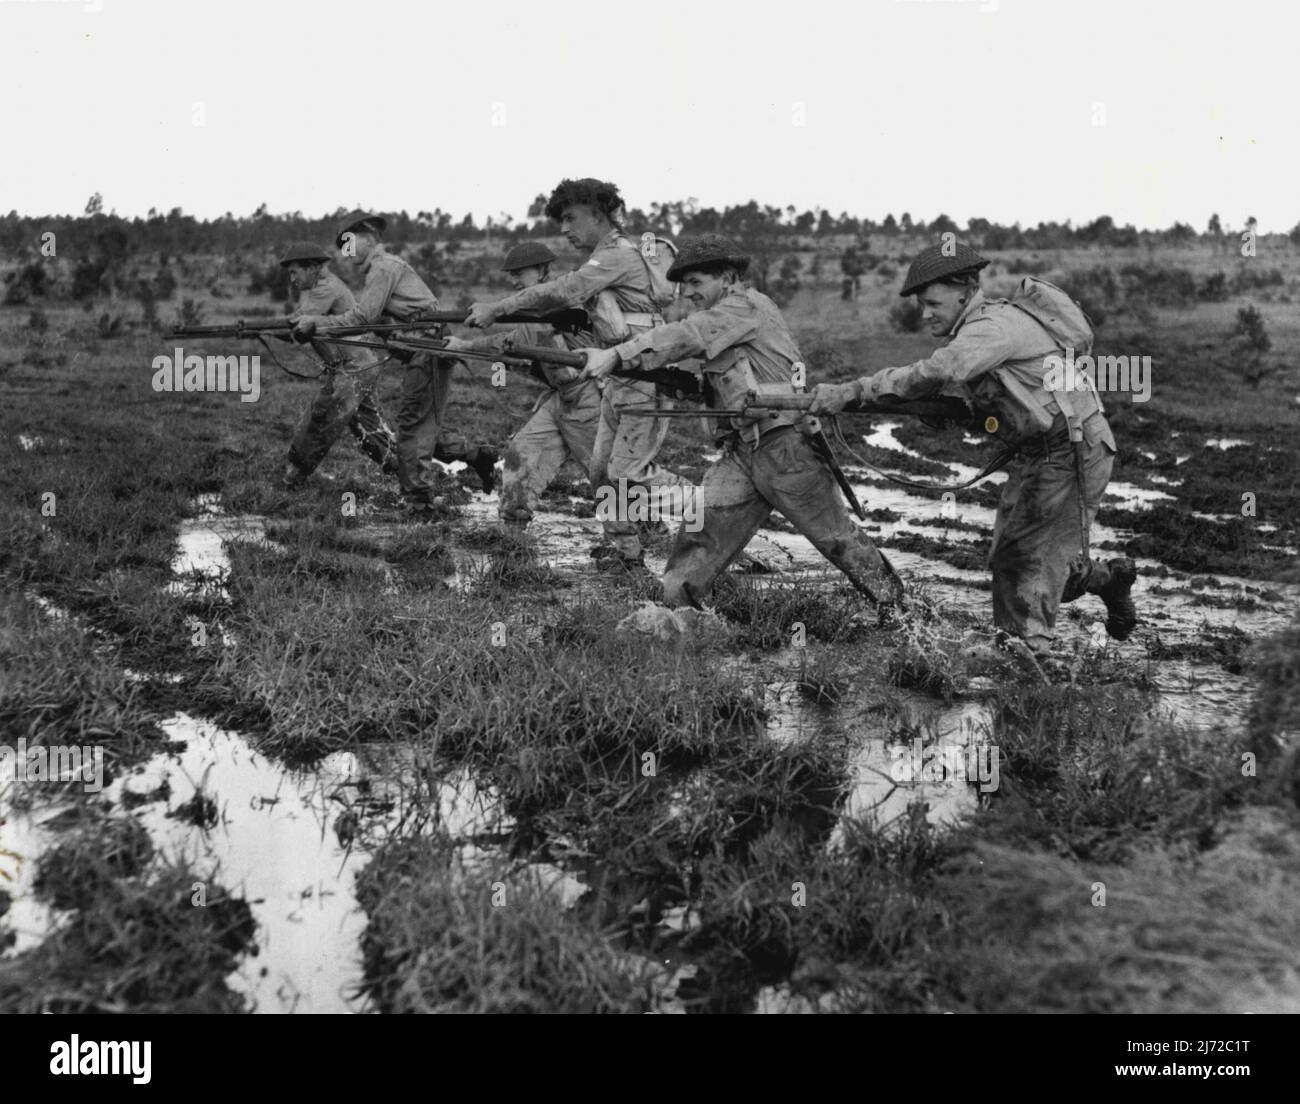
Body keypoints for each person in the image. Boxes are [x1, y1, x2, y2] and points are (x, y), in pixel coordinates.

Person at [810, 241, 1138, 658]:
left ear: (965, 290)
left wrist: (853, 391)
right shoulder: (979, 329)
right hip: (1042, 452)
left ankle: (1029, 663)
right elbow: (1005, 398)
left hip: (1070, 453)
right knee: (1013, 556)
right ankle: (1107, 583)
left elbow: (936, 370)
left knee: (1026, 562)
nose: (925, 314)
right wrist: (954, 412)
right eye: (921, 305)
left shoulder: (990, 328)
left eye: (933, 303)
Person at [581, 234, 904, 613]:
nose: (688, 293)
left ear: (729, 278)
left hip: (787, 450)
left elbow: (687, 335)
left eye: (697, 283)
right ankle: (677, 615)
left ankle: (903, 615)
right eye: (685, 286)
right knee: (700, 529)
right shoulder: (725, 319)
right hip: (742, 455)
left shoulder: (745, 306)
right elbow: (729, 375)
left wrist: (616, 355)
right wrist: (699, 389)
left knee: (838, 541)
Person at [465, 178, 689, 570]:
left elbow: (565, 291)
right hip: (621, 379)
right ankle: (628, 557)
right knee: (605, 472)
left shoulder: (615, 256)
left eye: (571, 218)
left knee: (626, 473)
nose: (565, 229)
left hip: (644, 379)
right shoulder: (602, 260)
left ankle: (708, 507)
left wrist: (495, 309)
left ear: (599, 216)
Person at [292, 210, 498, 512]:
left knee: (411, 427)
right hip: (423, 348)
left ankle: (420, 502)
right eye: (342, 248)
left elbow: (363, 318)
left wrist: (316, 323)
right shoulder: (381, 271)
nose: (345, 255)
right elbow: (378, 319)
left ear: (369, 239)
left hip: (428, 348)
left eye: (349, 244)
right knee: (418, 425)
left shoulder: (383, 269)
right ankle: (477, 456)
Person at [444, 242, 602, 531]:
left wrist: (495, 311)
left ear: (543, 271)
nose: (514, 280)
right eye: (511, 274)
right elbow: (506, 343)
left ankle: (641, 531)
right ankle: (513, 530)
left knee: (606, 474)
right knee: (521, 452)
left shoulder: (559, 297)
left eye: (520, 273)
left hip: (589, 399)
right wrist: (464, 345)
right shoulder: (532, 314)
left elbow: (536, 302)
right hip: (562, 399)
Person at [278, 241, 397, 489]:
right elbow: (295, 323)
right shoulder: (323, 289)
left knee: (321, 417)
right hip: (356, 368)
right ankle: (409, 475)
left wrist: (270, 329)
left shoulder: (326, 288)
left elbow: (297, 325)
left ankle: (293, 477)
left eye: (294, 272)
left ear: (312, 268)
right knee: (369, 434)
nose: (292, 279)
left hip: (353, 369)